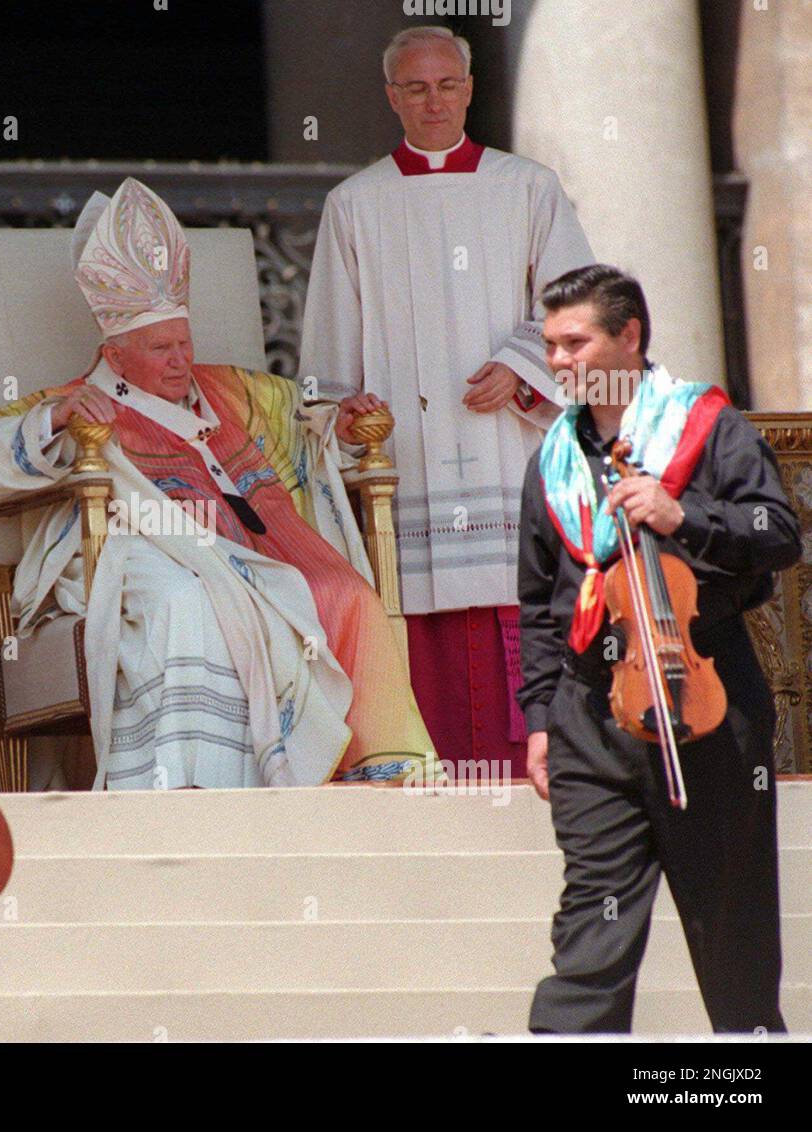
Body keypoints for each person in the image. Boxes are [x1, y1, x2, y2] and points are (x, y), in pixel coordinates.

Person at [0, 177, 436, 790]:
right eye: (161, 347)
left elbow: (311, 429)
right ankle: (208, 784)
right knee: (206, 603)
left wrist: (343, 427)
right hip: (159, 553)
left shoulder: (233, 389)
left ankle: (376, 769)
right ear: (116, 352)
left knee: (345, 591)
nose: (181, 359)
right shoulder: (74, 402)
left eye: (184, 342)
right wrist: (56, 419)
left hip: (266, 553)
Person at [300, 25, 594, 777]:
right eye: (416, 87)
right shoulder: (355, 203)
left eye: (448, 85)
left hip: (507, 446)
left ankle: (529, 769)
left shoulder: (528, 187)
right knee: (415, 613)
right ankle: (426, 772)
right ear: (392, 97)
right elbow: (329, 351)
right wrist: (341, 409)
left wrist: (524, 368)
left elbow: (581, 309)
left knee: (513, 605)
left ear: (469, 89)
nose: (434, 101)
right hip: (404, 457)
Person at [518, 264, 800, 1033]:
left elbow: (780, 536)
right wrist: (542, 717)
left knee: (729, 918)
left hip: (702, 697)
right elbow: (542, 603)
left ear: (630, 338)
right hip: (589, 708)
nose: (558, 361)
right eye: (550, 345)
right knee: (591, 922)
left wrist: (686, 516)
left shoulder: (710, 427)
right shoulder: (551, 462)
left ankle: (739, 1068)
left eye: (575, 342)